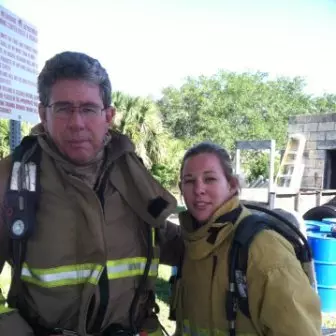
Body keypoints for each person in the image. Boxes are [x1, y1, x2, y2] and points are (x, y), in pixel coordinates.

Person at [0, 51, 183, 336]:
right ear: (42, 114)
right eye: (62, 108)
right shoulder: (13, 178)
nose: (76, 123)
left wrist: (233, 235)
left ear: (108, 115)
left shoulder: (131, 170)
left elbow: (164, 238)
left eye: (88, 108)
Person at [172, 141, 322, 336]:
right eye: (189, 181)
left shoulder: (264, 249)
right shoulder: (192, 243)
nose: (198, 189)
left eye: (209, 179)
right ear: (180, 188)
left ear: (232, 185)